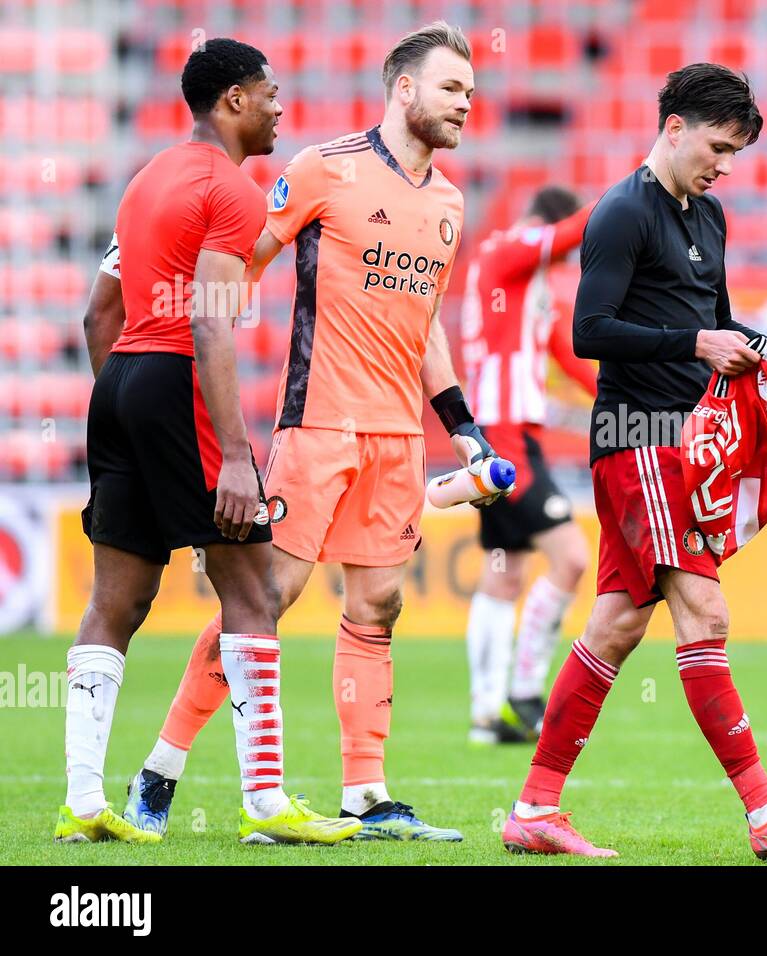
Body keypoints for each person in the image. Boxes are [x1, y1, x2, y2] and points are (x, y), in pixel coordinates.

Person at [122, 22, 502, 844]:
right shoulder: (322, 169)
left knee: (380, 603)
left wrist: (463, 428)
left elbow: (424, 324)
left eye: (470, 91)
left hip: (399, 437)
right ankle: (161, 769)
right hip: (319, 421)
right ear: (403, 89)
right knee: (267, 598)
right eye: (450, 88)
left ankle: (366, 795)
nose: (465, 103)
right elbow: (239, 260)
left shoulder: (448, 201)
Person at [500, 63, 767, 860]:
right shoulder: (622, 213)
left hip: (681, 445)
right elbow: (591, 331)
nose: (724, 165)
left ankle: (534, 808)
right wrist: (694, 343)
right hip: (637, 439)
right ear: (673, 128)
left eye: (734, 154)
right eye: (718, 147)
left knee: (616, 628)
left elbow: (723, 324)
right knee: (707, 615)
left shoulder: (710, 217)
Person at [59, 38, 361, 845]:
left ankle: (83, 801)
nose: (279, 109)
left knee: (115, 603)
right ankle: (266, 802)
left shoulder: (146, 180)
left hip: (118, 384)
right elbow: (209, 318)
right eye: (269, 94)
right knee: (254, 592)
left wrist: (126, 418)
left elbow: (97, 314)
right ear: (233, 100)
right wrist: (231, 454)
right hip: (177, 382)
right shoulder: (231, 190)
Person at [460, 186, 599, 744]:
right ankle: (523, 693)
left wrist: (624, 398)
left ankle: (487, 715)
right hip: (504, 438)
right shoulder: (509, 248)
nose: (565, 259)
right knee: (570, 558)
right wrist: (644, 179)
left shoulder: (528, 285)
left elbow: (565, 353)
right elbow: (569, 233)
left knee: (505, 572)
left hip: (506, 435)